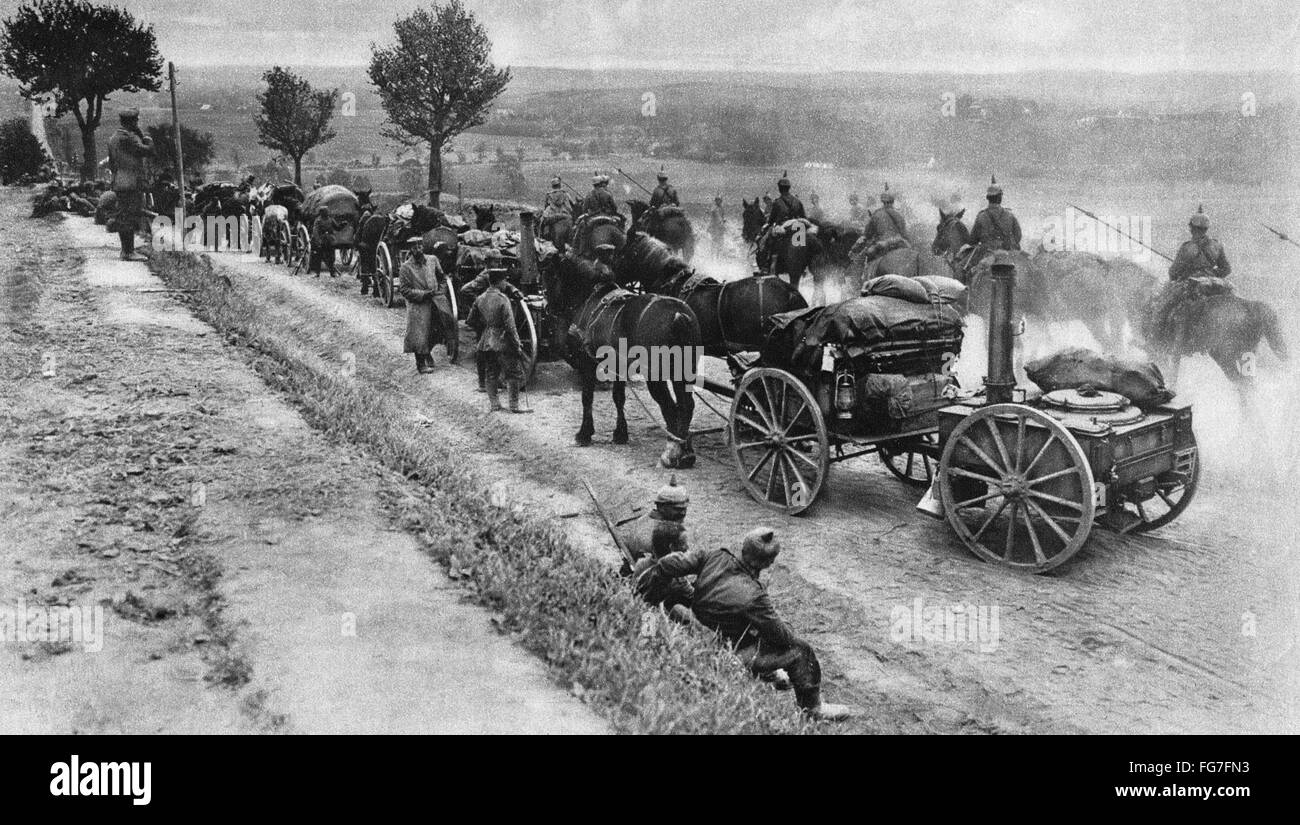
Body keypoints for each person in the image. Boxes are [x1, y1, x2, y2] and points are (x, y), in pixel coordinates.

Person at [648, 527, 853, 721]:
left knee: (756, 626)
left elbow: (668, 564)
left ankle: (769, 673)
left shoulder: (716, 555)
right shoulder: (754, 596)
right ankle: (813, 708)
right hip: (728, 652)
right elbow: (782, 637)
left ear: (744, 548)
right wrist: (785, 626)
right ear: (766, 562)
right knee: (800, 649)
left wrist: (656, 587)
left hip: (698, 626)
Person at [467, 268, 531, 413]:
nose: (505, 283)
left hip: (486, 341)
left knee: (491, 372)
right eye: (505, 280)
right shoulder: (503, 299)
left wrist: (486, 326)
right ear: (500, 282)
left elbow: (470, 320)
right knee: (514, 373)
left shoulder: (480, 298)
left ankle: (495, 404)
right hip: (503, 341)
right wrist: (517, 345)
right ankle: (514, 406)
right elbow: (511, 326)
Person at [106, 108, 155, 260]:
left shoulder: (113, 137)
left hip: (119, 180)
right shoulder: (128, 138)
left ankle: (126, 250)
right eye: (136, 121)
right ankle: (128, 252)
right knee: (129, 216)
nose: (137, 123)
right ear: (132, 122)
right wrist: (147, 138)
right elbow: (147, 151)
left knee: (124, 215)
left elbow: (112, 164)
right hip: (131, 182)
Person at [398, 239, 449, 374]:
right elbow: (404, 290)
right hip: (417, 304)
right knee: (418, 333)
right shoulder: (406, 268)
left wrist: (441, 292)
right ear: (411, 250)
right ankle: (420, 364)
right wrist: (423, 294)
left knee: (438, 328)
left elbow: (443, 278)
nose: (418, 250)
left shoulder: (432, 260)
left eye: (420, 246)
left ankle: (427, 352)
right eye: (414, 248)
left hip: (435, 301)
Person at [1168, 206, 1230, 281]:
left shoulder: (1186, 247)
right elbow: (1226, 269)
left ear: (1192, 228)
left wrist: (1186, 274)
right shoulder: (1217, 246)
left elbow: (1173, 272)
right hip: (1210, 283)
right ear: (1206, 228)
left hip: (1191, 286)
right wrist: (1211, 273)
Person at [969, 175, 1022, 255]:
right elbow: (1018, 236)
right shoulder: (1010, 215)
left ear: (988, 198)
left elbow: (973, 240)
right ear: (1000, 198)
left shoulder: (981, 217)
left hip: (987, 255)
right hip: (1008, 255)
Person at [308, 206, 343, 277]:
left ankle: (332, 273)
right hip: (322, 241)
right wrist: (318, 241)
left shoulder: (331, 219)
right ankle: (317, 273)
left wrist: (342, 225)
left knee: (331, 258)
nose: (327, 212)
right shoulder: (318, 221)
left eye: (327, 211)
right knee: (319, 257)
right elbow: (315, 232)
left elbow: (337, 228)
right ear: (321, 213)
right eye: (325, 211)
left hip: (330, 241)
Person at [540, 176, 574, 240]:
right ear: (559, 185)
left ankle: (542, 236)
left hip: (552, 214)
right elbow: (572, 204)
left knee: (542, 221)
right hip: (564, 213)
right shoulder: (565, 193)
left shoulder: (548, 195)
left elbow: (545, 206)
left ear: (552, 186)